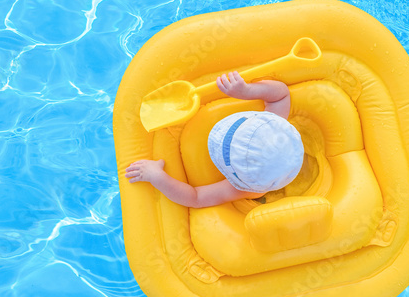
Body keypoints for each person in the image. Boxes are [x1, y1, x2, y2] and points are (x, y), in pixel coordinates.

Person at [125, 72, 304, 208]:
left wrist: (157, 177)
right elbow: (281, 94)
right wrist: (246, 91)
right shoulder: (275, 128)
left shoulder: (245, 189)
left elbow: (195, 198)